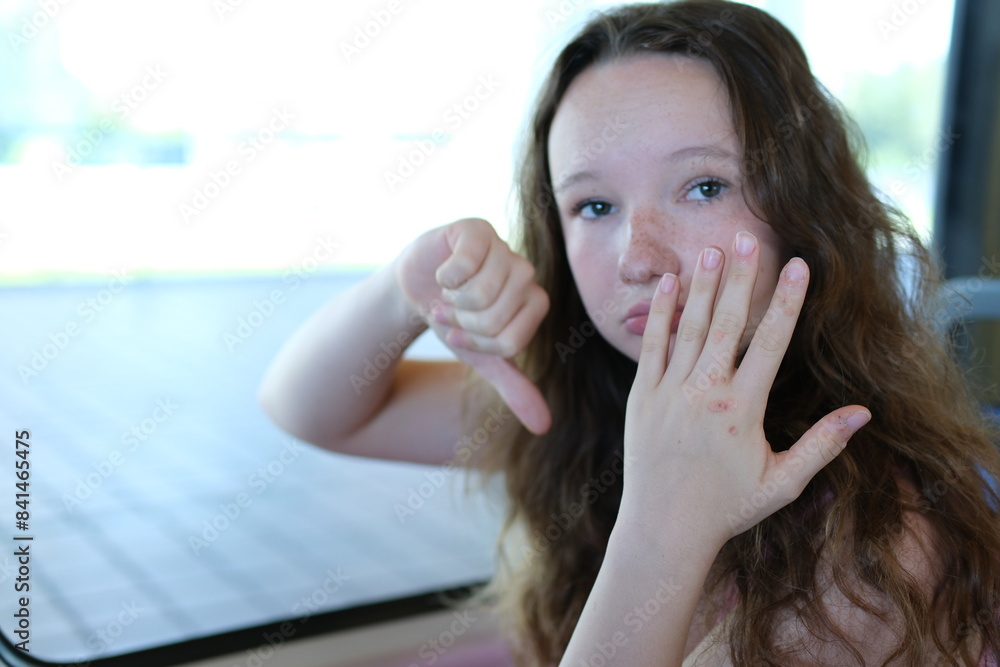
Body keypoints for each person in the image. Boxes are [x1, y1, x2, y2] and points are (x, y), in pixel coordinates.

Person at [258, 1, 1000, 664]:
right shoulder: (597, 401)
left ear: (804, 214)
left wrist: (662, 523)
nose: (639, 258)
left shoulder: (875, 540)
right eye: (593, 206)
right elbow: (308, 407)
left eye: (704, 187)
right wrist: (404, 288)